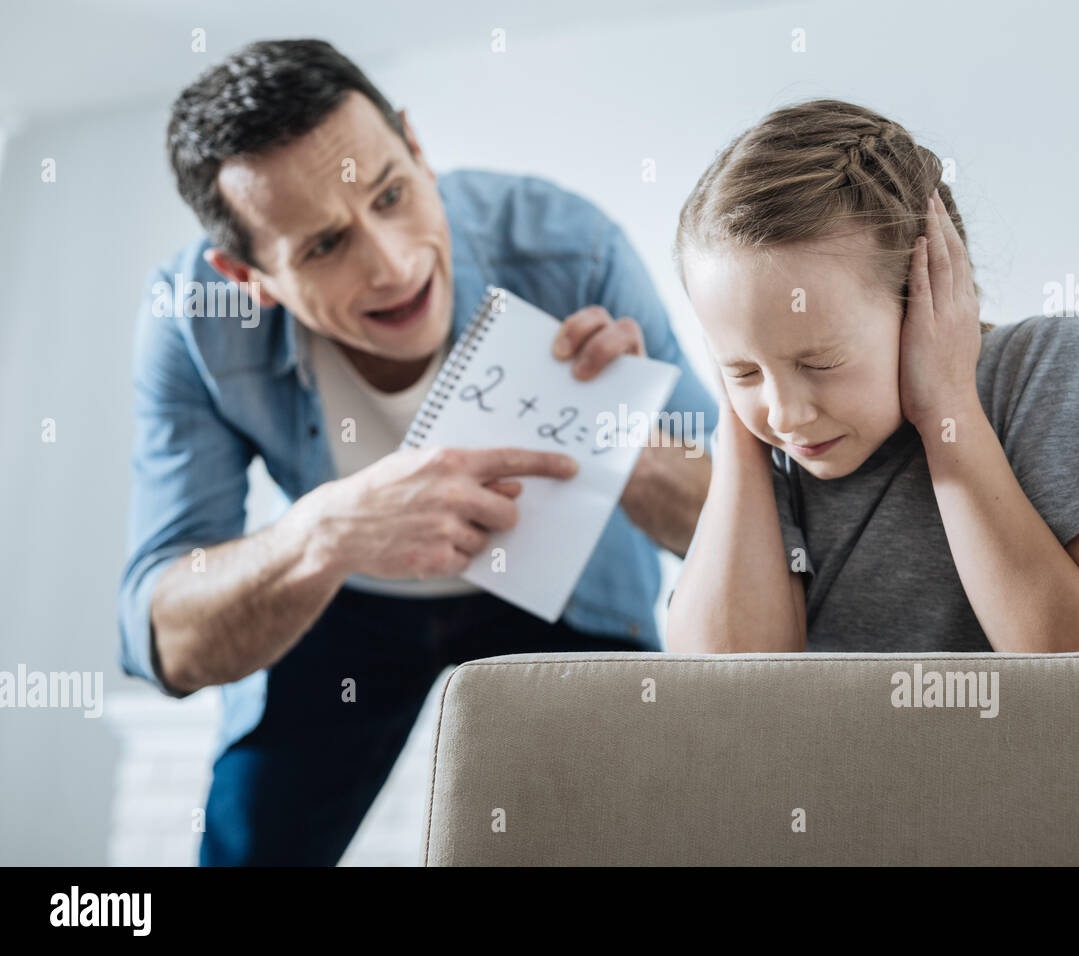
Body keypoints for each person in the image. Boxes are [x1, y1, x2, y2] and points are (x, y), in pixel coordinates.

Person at [118, 39, 716, 865]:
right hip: (340, 602)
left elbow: (742, 534)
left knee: (632, 846)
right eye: (324, 246)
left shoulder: (567, 247)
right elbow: (167, 644)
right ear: (247, 276)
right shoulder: (193, 321)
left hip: (568, 594)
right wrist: (327, 534)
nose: (393, 264)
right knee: (250, 850)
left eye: (392, 194)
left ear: (416, 148)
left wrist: (620, 434)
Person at [666, 99, 1079, 654]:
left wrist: (947, 408)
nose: (784, 414)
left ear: (925, 299)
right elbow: (723, 691)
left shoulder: (1046, 364)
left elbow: (1070, 658)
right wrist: (738, 429)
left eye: (820, 363)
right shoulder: (768, 440)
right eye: (743, 369)